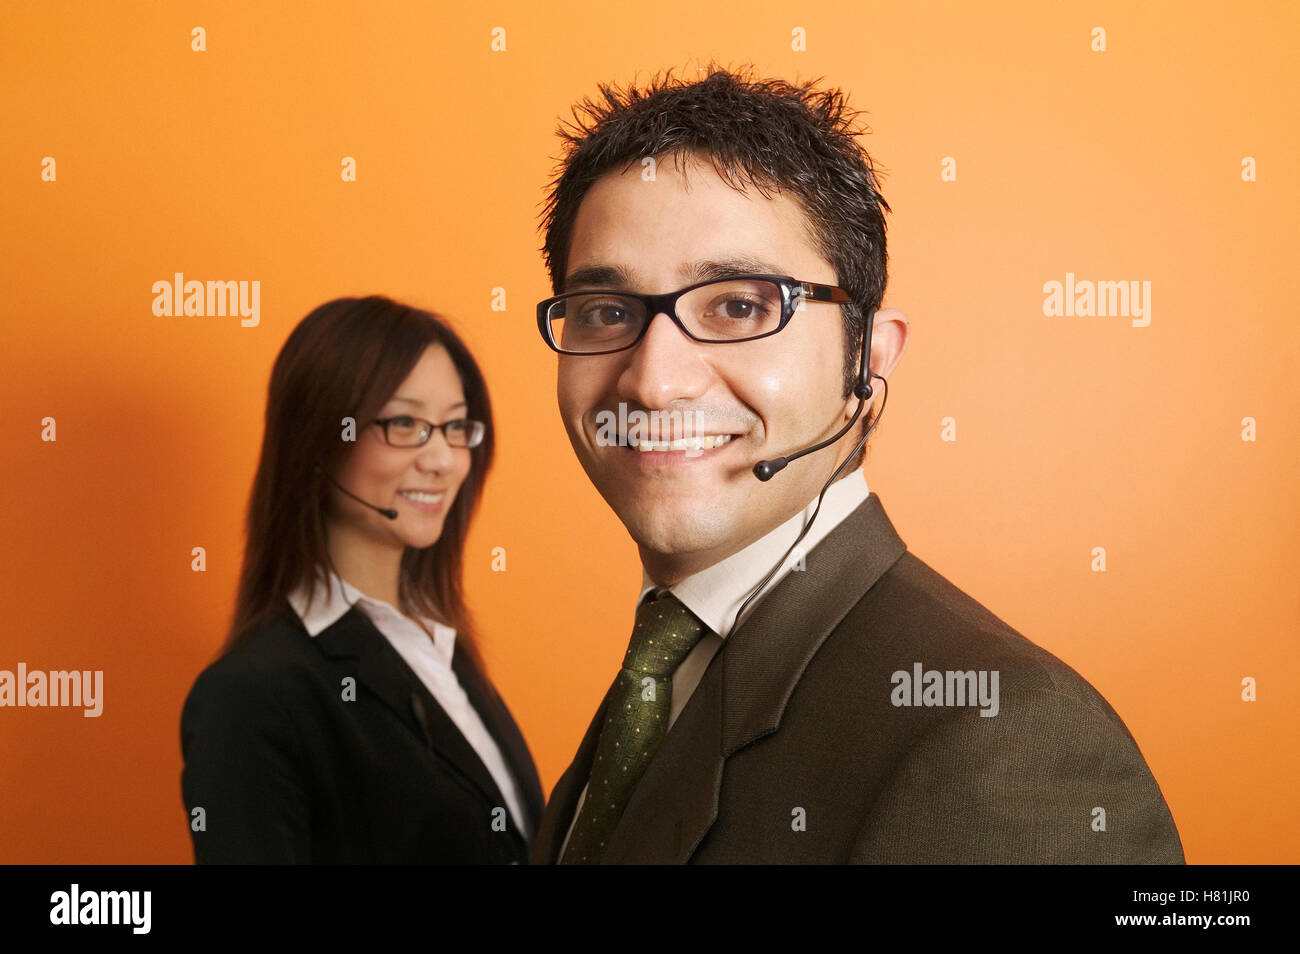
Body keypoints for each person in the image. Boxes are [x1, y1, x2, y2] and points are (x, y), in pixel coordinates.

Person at [529, 66, 1184, 863]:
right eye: (606, 311)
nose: (653, 379)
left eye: (738, 305)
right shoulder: (659, 674)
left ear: (866, 358)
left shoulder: (1005, 741)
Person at [180, 295, 541, 863]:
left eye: (454, 426)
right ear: (318, 439)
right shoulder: (252, 695)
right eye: (404, 424)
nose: (443, 459)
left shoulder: (442, 651)